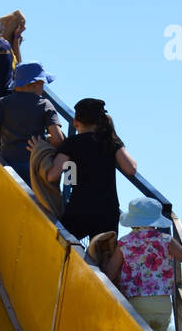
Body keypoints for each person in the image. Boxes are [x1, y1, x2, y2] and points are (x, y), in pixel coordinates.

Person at [43, 98, 137, 241]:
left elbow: (52, 176)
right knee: (104, 257)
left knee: (62, 244)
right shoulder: (110, 140)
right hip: (107, 209)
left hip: (80, 207)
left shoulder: (71, 143)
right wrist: (115, 140)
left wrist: (40, 154)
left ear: (75, 122)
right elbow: (130, 169)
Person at [104, 197, 182, 331]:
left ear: (132, 221)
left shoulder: (124, 243)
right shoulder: (166, 240)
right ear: (156, 220)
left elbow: (109, 274)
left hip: (136, 303)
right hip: (162, 305)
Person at [0, 63, 64, 181]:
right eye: (43, 83)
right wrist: (46, 144)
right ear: (36, 83)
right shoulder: (45, 105)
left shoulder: (5, 102)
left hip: (7, 165)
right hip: (35, 166)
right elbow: (58, 139)